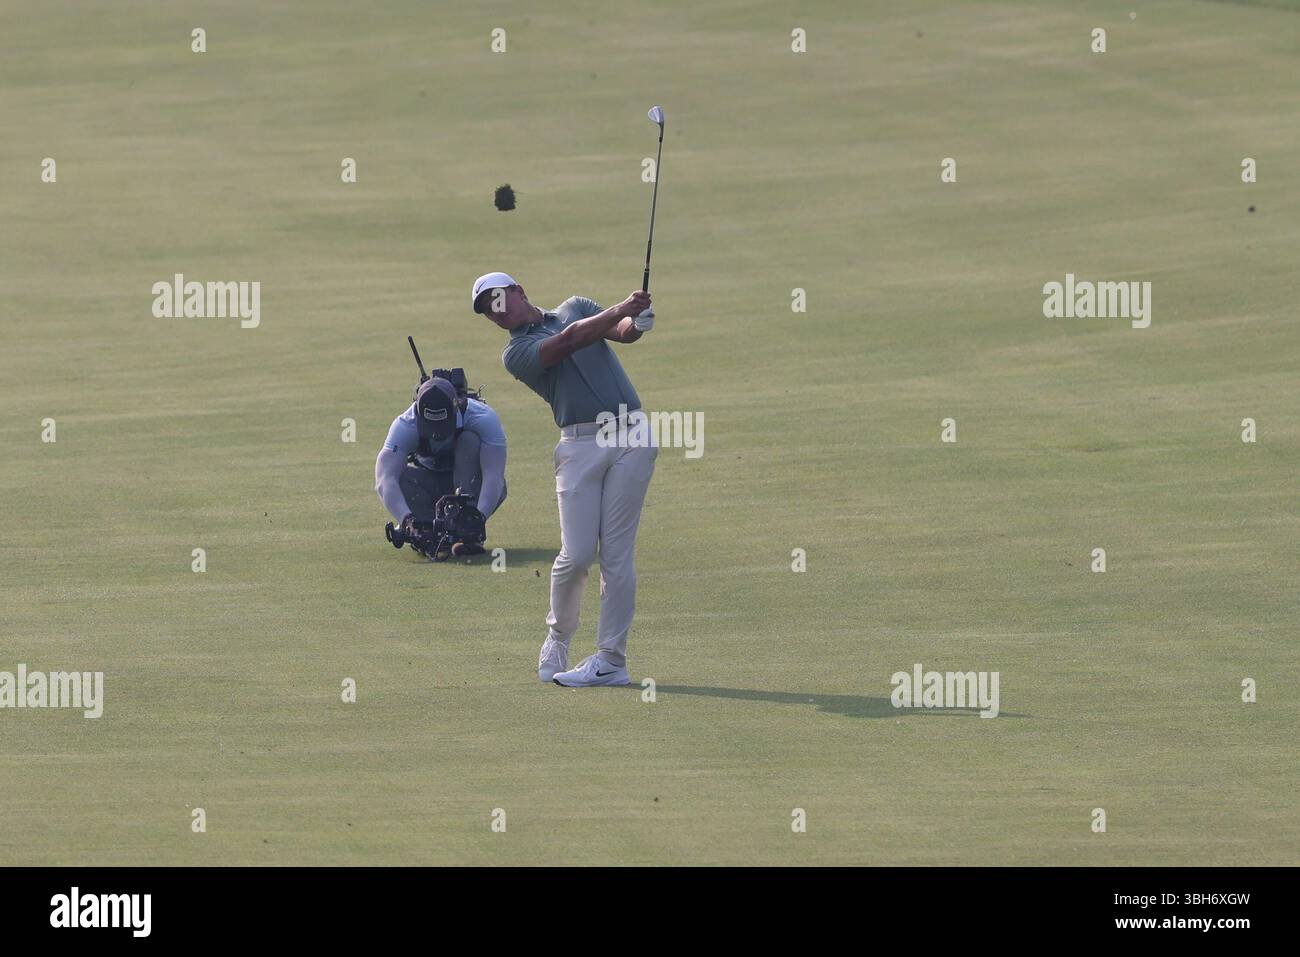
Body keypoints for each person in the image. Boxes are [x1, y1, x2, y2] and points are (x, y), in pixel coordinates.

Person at [472, 270, 656, 687]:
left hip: (632, 434)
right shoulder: (516, 352)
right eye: (488, 311)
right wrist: (620, 309)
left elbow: (621, 332)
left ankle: (611, 660)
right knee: (576, 555)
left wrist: (637, 322)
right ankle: (558, 638)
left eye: (498, 299)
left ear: (519, 290)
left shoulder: (576, 305)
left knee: (616, 555)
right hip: (579, 445)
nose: (496, 312)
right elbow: (569, 341)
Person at [375, 373, 507, 555]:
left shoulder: (483, 418)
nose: (437, 434)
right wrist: (407, 521)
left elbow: (494, 477)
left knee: (469, 440)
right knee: (399, 477)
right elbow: (384, 479)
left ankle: (467, 530)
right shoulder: (404, 425)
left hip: (468, 485)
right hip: (427, 485)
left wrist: (479, 517)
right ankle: (429, 532)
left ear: (457, 407)